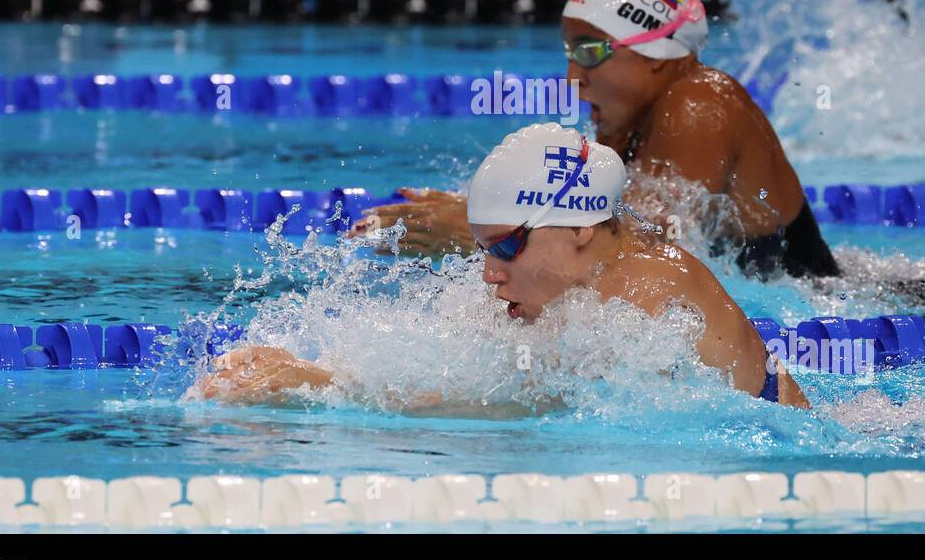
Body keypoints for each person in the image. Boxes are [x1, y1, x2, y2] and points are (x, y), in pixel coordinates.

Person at [193, 124, 810, 411]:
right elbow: (457, 367)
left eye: (506, 246)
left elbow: (520, 404)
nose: (489, 272)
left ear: (579, 230)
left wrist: (319, 383)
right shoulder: (580, 275)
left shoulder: (649, 291)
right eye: (482, 248)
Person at [361, 0, 838, 279]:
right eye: (569, 53)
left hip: (818, 306)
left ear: (653, 51)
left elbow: (658, 247)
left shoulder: (698, 104)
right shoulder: (634, 122)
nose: (573, 77)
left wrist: (483, 235)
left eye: (589, 52)